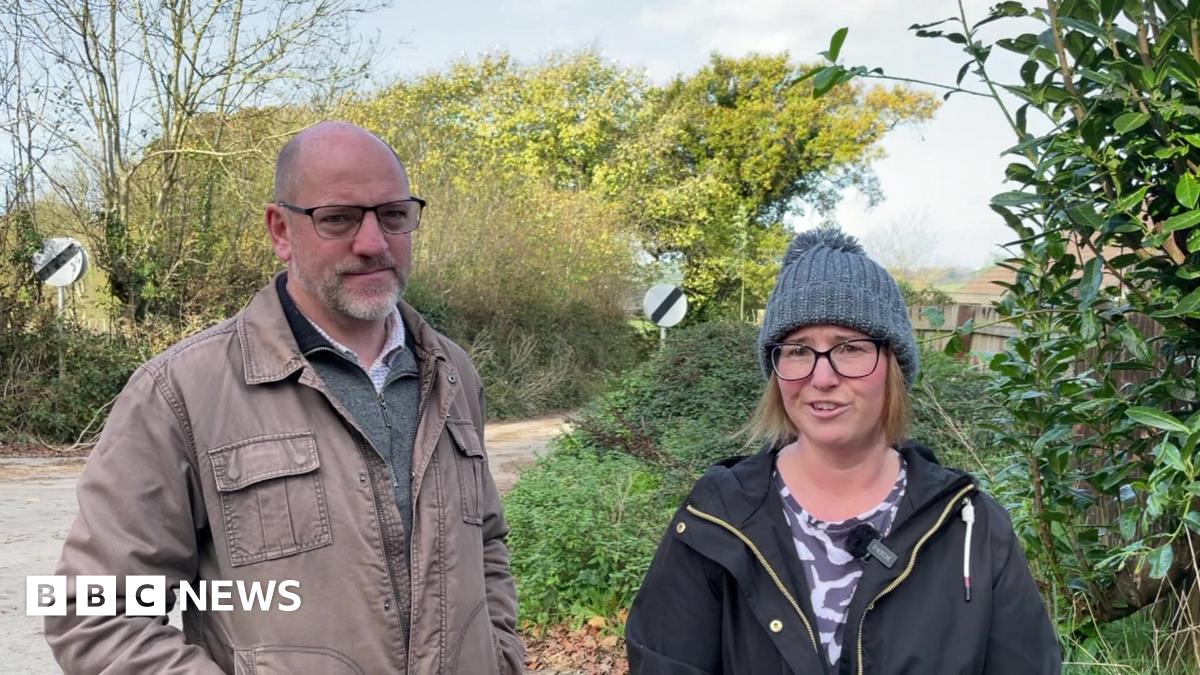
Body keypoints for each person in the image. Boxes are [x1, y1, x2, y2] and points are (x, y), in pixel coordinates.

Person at [45, 121, 524, 674]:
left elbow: (485, 544)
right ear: (280, 230)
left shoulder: (453, 371)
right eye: (338, 218)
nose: (373, 243)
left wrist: (501, 654)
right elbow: (95, 612)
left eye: (393, 215)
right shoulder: (181, 392)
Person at [624, 228, 1060, 674]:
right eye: (797, 350)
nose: (822, 376)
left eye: (849, 348)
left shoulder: (970, 527)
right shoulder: (715, 519)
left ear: (894, 363)